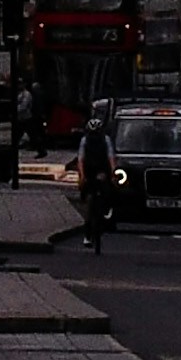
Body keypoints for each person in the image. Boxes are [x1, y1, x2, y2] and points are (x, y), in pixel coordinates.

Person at [77, 103, 118, 255]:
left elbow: (110, 158)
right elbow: (81, 160)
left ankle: (106, 209)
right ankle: (88, 234)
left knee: (108, 189)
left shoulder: (104, 140)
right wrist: (82, 177)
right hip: (90, 170)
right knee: (88, 203)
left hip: (101, 169)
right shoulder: (85, 141)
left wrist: (113, 174)